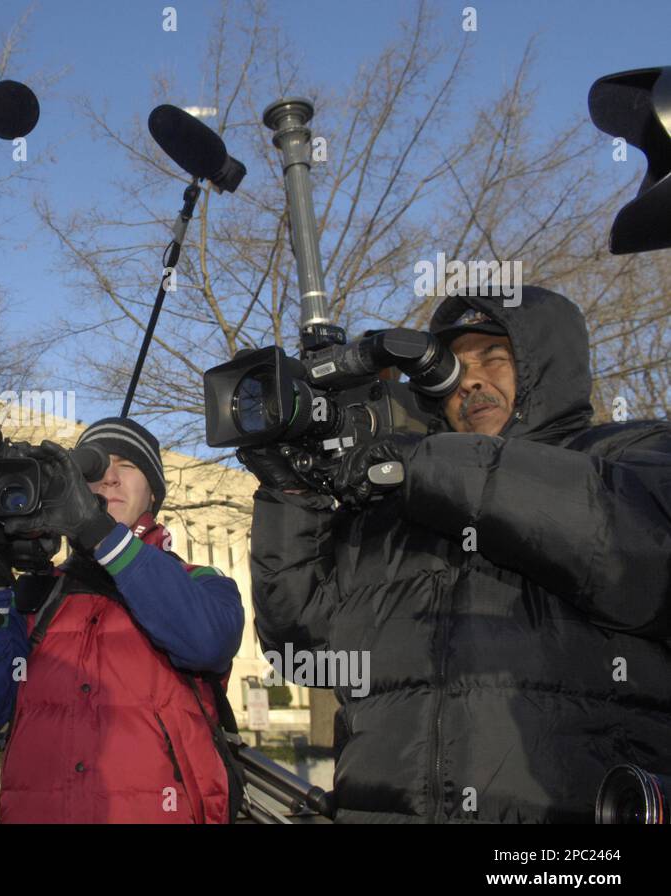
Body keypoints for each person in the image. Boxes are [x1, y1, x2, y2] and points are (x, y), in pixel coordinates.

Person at [243, 285, 671, 823]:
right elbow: (299, 645)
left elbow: (639, 549)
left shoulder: (628, 454)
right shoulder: (397, 505)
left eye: (495, 357)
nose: (469, 381)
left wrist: (426, 465)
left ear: (548, 367)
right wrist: (292, 496)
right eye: (451, 369)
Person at [0, 417, 245, 823]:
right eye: (92, 467)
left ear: (153, 495)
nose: (109, 477)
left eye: (126, 465)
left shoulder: (199, 582)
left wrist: (99, 532)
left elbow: (206, 641)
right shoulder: (39, 595)